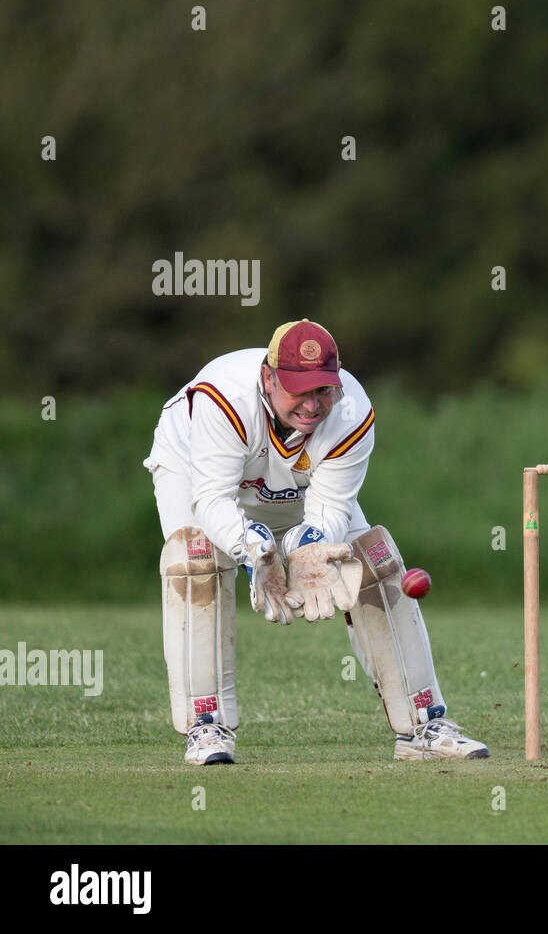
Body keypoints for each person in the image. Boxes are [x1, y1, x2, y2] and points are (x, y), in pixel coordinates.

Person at [143, 319, 489, 765]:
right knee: (195, 560)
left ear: (338, 380)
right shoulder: (222, 399)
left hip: (297, 485)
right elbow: (213, 499)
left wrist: (307, 548)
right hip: (195, 470)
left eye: (322, 390)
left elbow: (329, 509)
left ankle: (422, 724)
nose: (311, 405)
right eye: (297, 390)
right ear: (268, 378)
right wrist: (256, 552)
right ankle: (205, 726)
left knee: (373, 560)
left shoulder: (352, 412)